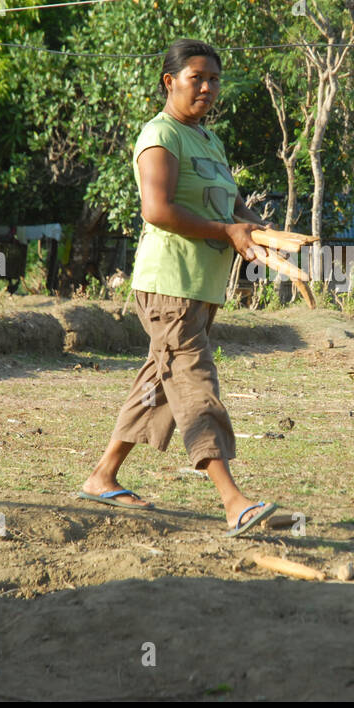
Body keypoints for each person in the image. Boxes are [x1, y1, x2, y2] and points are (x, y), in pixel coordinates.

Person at [80, 38, 279, 536]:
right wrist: (226, 232)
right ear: (170, 82)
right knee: (193, 383)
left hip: (202, 288)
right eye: (198, 79)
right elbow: (158, 210)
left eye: (214, 79)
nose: (208, 88)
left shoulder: (208, 141)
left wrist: (255, 230)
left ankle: (103, 475)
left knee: (158, 382)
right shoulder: (160, 136)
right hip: (169, 285)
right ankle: (233, 501)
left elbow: (226, 209)